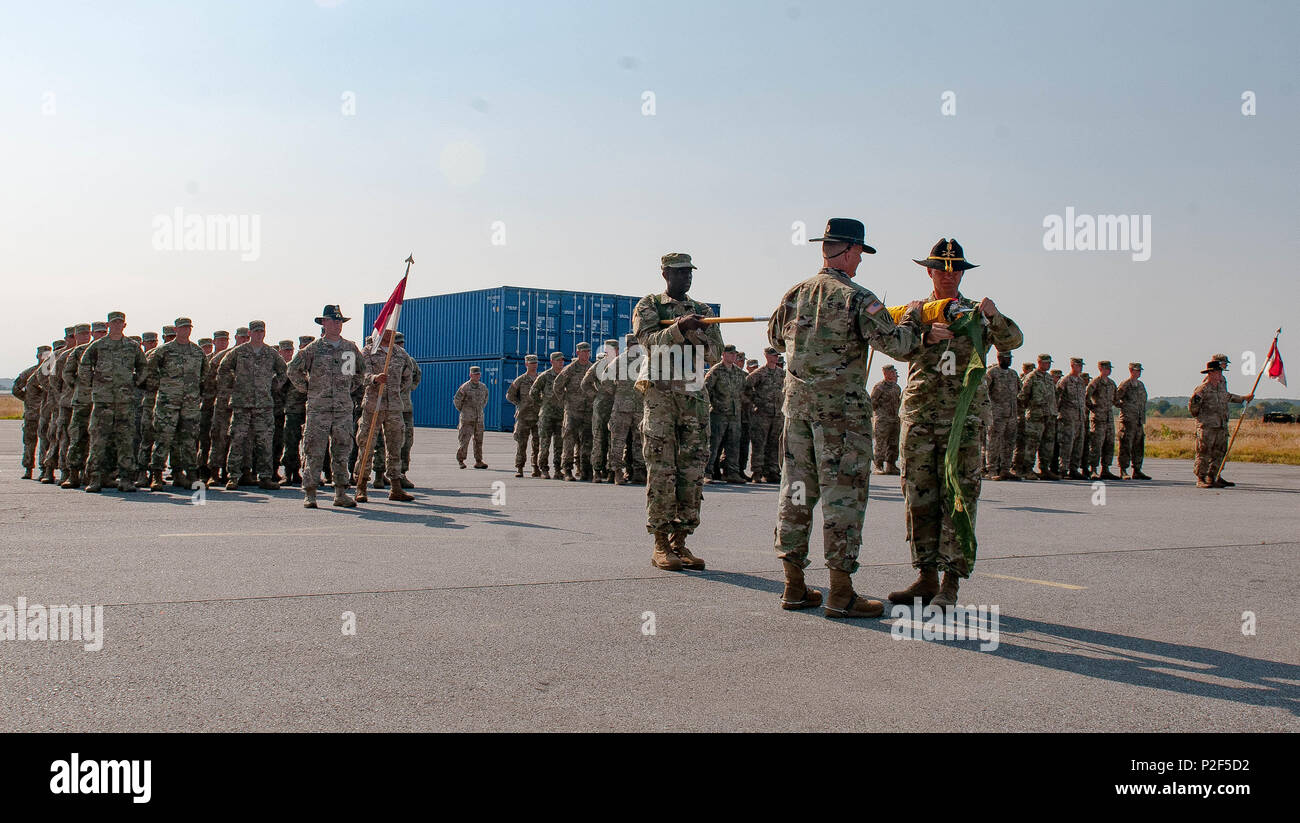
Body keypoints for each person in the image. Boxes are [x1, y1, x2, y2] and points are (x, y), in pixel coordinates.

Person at [769, 219, 923, 616]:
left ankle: (794, 587)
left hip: (798, 413)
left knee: (795, 495)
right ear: (851, 251)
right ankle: (840, 593)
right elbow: (900, 346)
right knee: (844, 500)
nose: (860, 261)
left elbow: (774, 337)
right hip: (841, 419)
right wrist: (913, 319)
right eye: (860, 253)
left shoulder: (795, 294)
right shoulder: (859, 298)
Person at [887, 238, 1023, 609]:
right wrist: (921, 329)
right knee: (919, 496)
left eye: (955, 269)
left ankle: (951, 583)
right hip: (918, 416)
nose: (948, 275)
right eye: (941, 269)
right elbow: (888, 343)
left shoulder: (974, 313)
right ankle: (925, 577)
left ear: (962, 273)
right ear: (929, 271)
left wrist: (994, 316)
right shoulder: (913, 311)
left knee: (959, 497)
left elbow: (1013, 339)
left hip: (962, 419)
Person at [632, 251, 723, 571]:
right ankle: (660, 542)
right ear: (665, 274)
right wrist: (678, 329)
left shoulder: (703, 311)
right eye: (680, 272)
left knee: (692, 470)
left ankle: (680, 541)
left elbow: (717, 352)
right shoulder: (650, 306)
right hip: (660, 397)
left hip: (693, 398)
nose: (687, 277)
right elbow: (648, 342)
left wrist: (697, 332)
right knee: (662, 469)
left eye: (690, 273)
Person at [287, 306, 366, 508]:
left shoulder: (350, 348)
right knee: (314, 450)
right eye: (332, 321)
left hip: (342, 409)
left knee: (342, 450)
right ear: (324, 323)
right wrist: (308, 388)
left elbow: (361, 372)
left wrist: (349, 388)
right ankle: (310, 493)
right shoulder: (314, 348)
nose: (336, 325)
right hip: (318, 409)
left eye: (339, 321)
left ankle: (340, 492)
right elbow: (293, 370)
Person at [78, 312, 148, 493]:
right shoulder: (98, 346)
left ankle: (126, 479)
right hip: (103, 402)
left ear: (124, 325)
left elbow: (143, 367)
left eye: (120, 323)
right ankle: (95, 478)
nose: (117, 325)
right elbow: (84, 366)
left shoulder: (132, 347)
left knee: (125, 441)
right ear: (108, 325)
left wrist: (135, 383)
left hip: (125, 402)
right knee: (98, 441)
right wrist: (93, 385)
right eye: (114, 322)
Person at [218, 321, 286, 490]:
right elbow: (223, 369)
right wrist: (233, 385)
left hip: (264, 404)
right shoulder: (240, 352)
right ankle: (233, 476)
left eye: (261, 331)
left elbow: (284, 371)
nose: (258, 334)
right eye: (255, 331)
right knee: (238, 439)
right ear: (249, 333)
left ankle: (265, 476)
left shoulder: (270, 353)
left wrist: (273, 386)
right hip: (242, 404)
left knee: (264, 441)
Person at [145, 317, 206, 490]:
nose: (186, 331)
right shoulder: (164, 351)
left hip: (190, 403)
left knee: (188, 440)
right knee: (163, 438)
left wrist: (194, 393)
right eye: (182, 328)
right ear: (176, 329)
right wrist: (164, 389)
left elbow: (204, 375)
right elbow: (150, 372)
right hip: (167, 403)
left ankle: (189, 476)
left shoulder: (197, 351)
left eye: (188, 328)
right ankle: (156, 475)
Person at [355, 329, 415, 501]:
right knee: (367, 446)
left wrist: (394, 391)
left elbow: (407, 378)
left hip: (394, 407)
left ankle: (396, 486)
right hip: (373, 406)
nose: (391, 332)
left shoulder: (401, 354)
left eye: (393, 329)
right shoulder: (368, 351)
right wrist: (374, 378)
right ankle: (362, 486)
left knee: (396, 446)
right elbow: (360, 375)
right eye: (387, 329)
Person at [1189, 361, 1251, 488]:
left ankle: (1212, 477)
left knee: (1220, 451)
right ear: (1210, 373)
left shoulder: (1221, 388)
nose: (1220, 375)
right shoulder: (1203, 389)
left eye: (1220, 372)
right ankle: (1201, 478)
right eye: (1217, 372)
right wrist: (1202, 419)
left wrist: (1243, 398)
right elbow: (1193, 406)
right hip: (1207, 426)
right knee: (1204, 452)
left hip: (1221, 426)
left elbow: (1228, 397)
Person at [605, 334, 645, 485]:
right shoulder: (619, 361)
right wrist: (617, 393)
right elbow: (605, 380)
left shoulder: (644, 361)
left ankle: (638, 472)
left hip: (639, 408)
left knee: (639, 441)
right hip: (621, 408)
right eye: (632, 344)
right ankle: (617, 472)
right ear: (627, 345)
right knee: (618, 442)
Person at [704, 344, 746, 483]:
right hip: (718, 414)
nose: (733, 356)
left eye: (735, 354)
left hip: (734, 414)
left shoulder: (739, 372)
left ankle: (731, 473)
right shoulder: (715, 371)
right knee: (713, 445)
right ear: (724, 355)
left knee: (733, 445)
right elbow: (706, 390)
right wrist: (711, 406)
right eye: (731, 354)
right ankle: (707, 473)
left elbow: (744, 392)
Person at [552, 342, 594, 480]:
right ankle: (568, 469)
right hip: (572, 411)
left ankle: (585, 469)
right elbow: (557, 385)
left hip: (588, 411)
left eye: (588, 352)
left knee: (587, 441)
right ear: (577, 353)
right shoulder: (570, 369)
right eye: (583, 352)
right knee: (569, 440)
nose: (586, 354)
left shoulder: (591, 368)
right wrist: (565, 400)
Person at [581, 340, 620, 482]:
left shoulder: (621, 364)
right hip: (601, 407)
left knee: (614, 440)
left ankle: (611, 471)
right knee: (599, 438)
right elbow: (585, 383)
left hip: (616, 406)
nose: (613, 352)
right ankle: (597, 470)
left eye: (615, 349)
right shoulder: (599, 365)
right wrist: (596, 396)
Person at [744, 347, 784, 483]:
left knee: (774, 444)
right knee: (759, 444)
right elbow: (745, 387)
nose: (776, 357)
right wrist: (755, 401)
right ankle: (757, 472)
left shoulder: (781, 373)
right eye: (773, 355)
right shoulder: (759, 373)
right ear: (766, 356)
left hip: (777, 414)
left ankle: (772, 471)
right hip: (762, 414)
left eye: (777, 355)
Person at [1016, 354, 1059, 480]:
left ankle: (1045, 469)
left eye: (1049, 363)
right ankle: (1027, 469)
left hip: (1049, 415)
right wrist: (1031, 408)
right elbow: (1022, 396)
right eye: (1046, 362)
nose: (1048, 365)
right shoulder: (1032, 377)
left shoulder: (1049, 378)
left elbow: (1054, 396)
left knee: (1048, 444)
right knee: (1032, 444)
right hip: (1036, 416)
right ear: (1039, 362)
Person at [12, 345, 49, 479]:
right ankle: (28, 469)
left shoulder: (51, 372)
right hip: (32, 414)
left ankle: (44, 469)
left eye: (47, 355)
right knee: (29, 443)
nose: (45, 357)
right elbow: (16, 389)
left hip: (46, 414)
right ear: (37, 356)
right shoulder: (29, 373)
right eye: (42, 354)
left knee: (46, 443)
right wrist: (27, 399)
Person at [280, 334, 313, 486]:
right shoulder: (293, 365)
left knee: (311, 443)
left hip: (312, 409)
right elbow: (280, 387)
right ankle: (289, 473)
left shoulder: (317, 366)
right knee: (291, 442)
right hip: (294, 409)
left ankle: (309, 473)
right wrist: (303, 388)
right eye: (304, 346)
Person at [198, 330, 230, 481]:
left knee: (224, 438)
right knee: (206, 439)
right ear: (214, 342)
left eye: (225, 340)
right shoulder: (209, 360)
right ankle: (204, 470)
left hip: (225, 405)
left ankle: (223, 471)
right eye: (220, 340)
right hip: (208, 404)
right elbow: (202, 383)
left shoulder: (233, 357)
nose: (223, 343)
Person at [529, 352, 566, 478]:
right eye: (558, 361)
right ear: (552, 362)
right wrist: (542, 404)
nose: (561, 363)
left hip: (561, 415)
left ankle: (557, 469)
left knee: (559, 444)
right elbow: (533, 392)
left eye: (562, 360)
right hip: (547, 416)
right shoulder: (545, 376)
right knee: (544, 443)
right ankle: (543, 469)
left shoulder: (565, 375)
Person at [983, 351, 1019, 480]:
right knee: (994, 442)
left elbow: (1018, 393)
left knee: (1009, 443)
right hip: (997, 414)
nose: (1009, 361)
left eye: (1010, 358)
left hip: (1011, 414)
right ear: (999, 358)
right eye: (1006, 358)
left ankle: (1005, 469)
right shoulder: (992, 373)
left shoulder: (1013, 374)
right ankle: (991, 470)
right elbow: (984, 391)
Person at [506, 354, 542, 477]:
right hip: (524, 416)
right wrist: (519, 404)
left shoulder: (540, 378)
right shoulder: (521, 380)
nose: (534, 365)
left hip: (538, 416)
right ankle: (520, 468)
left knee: (537, 444)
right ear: (526, 364)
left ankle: (535, 468)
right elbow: (509, 395)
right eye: (531, 363)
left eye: (535, 363)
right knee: (522, 443)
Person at [1114, 362, 1150, 480]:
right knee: (1125, 445)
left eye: (1140, 371)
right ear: (1130, 370)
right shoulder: (1126, 384)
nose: (1138, 372)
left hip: (1138, 420)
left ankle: (1137, 470)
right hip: (1128, 420)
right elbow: (1116, 398)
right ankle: (1123, 470)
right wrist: (1125, 407)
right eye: (1136, 370)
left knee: (1138, 445)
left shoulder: (1140, 385)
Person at [1055, 357, 1088, 479]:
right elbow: (1057, 397)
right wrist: (1058, 414)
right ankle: (1063, 469)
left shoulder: (1080, 381)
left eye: (1081, 365)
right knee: (1067, 444)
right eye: (1078, 365)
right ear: (1072, 365)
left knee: (1078, 444)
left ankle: (1074, 469)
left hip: (1079, 418)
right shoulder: (1065, 380)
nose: (1080, 368)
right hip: (1067, 417)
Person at [1086, 360, 1118, 479]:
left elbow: (1115, 399)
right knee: (1096, 444)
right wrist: (1093, 408)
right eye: (1106, 368)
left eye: (1110, 368)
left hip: (1109, 417)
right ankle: (1093, 469)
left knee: (1109, 443)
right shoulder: (1095, 382)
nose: (1109, 370)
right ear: (1101, 369)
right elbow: (1086, 397)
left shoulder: (1111, 383)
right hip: (1098, 418)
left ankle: (1106, 469)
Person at [453, 366, 490, 469]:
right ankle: (461, 460)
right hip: (467, 419)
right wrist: (464, 411)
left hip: (479, 418)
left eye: (478, 374)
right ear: (470, 375)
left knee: (479, 440)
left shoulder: (483, 387)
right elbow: (457, 401)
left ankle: (479, 461)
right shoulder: (465, 387)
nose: (477, 376)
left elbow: (485, 400)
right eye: (475, 374)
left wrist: (480, 410)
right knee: (464, 440)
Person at [870, 364, 902, 475]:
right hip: (882, 419)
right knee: (881, 444)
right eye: (892, 372)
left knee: (893, 443)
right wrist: (879, 414)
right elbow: (872, 402)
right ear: (885, 373)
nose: (894, 374)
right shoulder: (879, 387)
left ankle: (891, 465)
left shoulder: (896, 387)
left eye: (894, 372)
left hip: (894, 419)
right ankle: (878, 466)